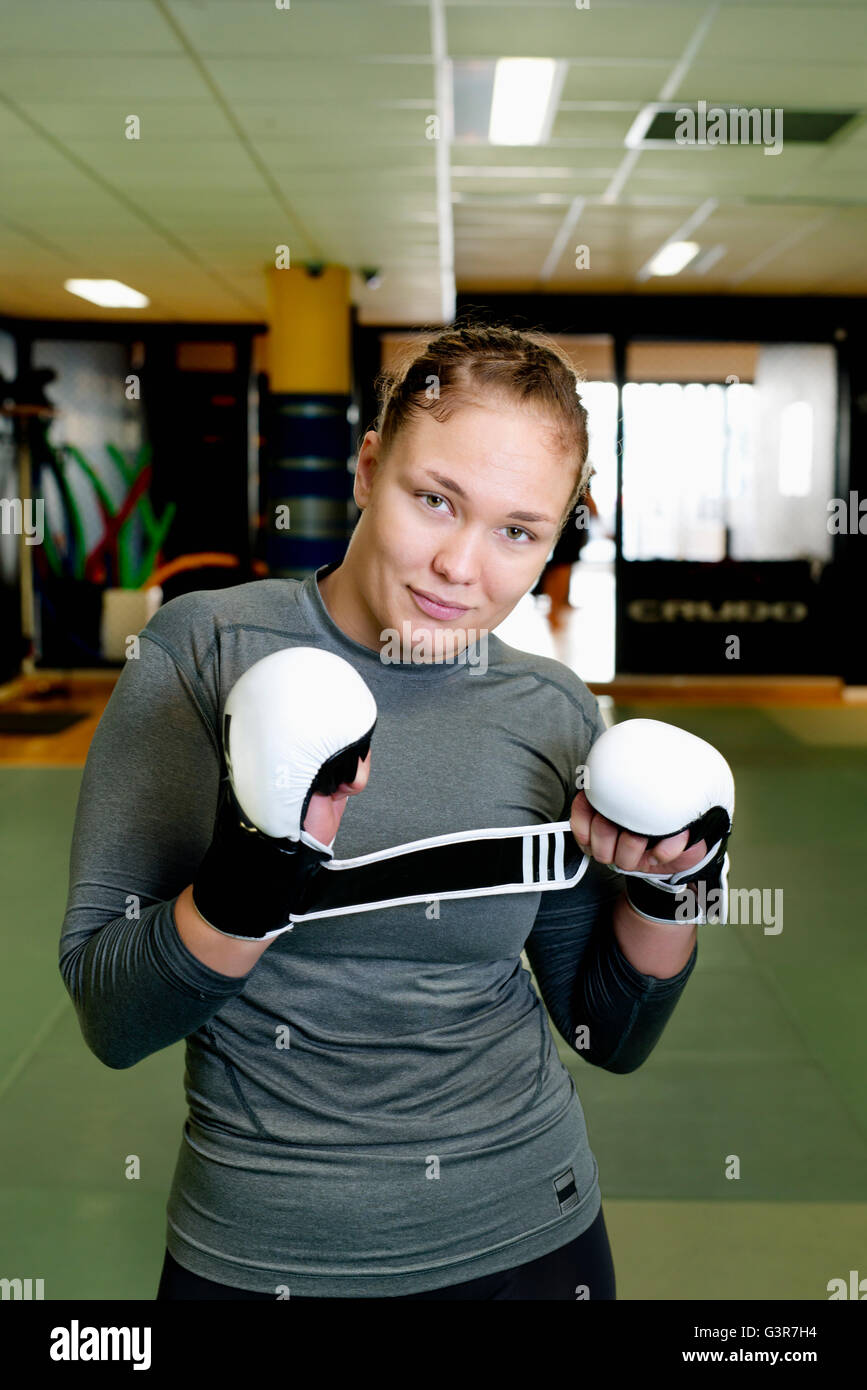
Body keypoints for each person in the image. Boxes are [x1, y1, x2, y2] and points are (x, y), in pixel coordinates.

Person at [59, 322, 707, 1301]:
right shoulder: (205, 651)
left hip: (532, 1230)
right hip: (263, 1252)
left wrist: (675, 887)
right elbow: (112, 1016)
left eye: (517, 531)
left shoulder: (552, 712)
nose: (461, 566)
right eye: (435, 499)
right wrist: (244, 887)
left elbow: (604, 1034)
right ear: (367, 469)